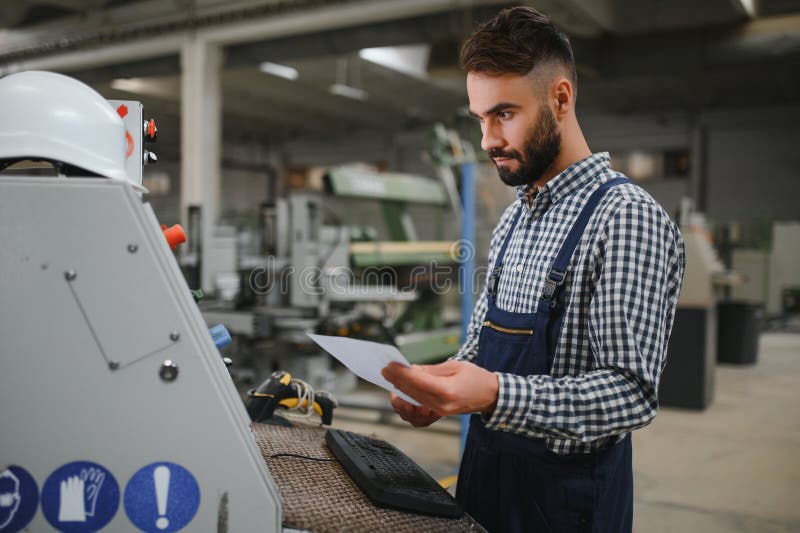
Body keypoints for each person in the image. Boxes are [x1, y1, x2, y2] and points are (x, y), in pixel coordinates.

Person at [382, 6, 685, 532]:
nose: (487, 140)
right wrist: (439, 388)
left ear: (560, 98)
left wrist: (497, 395)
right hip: (485, 482)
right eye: (480, 119)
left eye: (504, 113)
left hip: (565, 506)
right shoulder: (515, 219)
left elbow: (629, 392)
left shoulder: (625, 218)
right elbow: (481, 347)